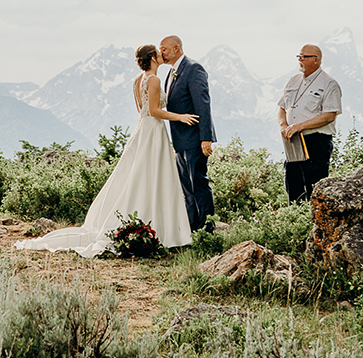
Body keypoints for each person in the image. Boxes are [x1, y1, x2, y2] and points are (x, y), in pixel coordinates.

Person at [16, 44, 196, 255]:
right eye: (158, 52)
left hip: (142, 130)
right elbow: (155, 111)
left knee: (138, 175)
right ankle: (164, 230)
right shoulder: (154, 79)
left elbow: (142, 110)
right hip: (153, 132)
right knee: (153, 175)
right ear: (153, 58)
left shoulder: (137, 81)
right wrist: (180, 117)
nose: (161, 54)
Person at [160, 35, 215, 232]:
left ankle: (208, 228)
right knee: (187, 186)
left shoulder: (193, 68)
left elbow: (203, 104)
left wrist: (205, 138)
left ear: (177, 48)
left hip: (194, 138)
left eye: (164, 49)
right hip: (180, 139)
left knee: (198, 182)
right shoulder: (171, 72)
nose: (162, 53)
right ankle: (193, 226)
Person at [278, 44, 342, 202]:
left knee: (315, 189)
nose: (300, 60)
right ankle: (296, 222)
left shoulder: (329, 84)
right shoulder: (293, 81)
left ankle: (314, 224)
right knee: (293, 185)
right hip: (293, 140)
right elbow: (282, 108)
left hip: (316, 141)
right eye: (298, 56)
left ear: (316, 60)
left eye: (304, 57)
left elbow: (329, 116)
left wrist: (299, 126)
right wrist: (284, 126)